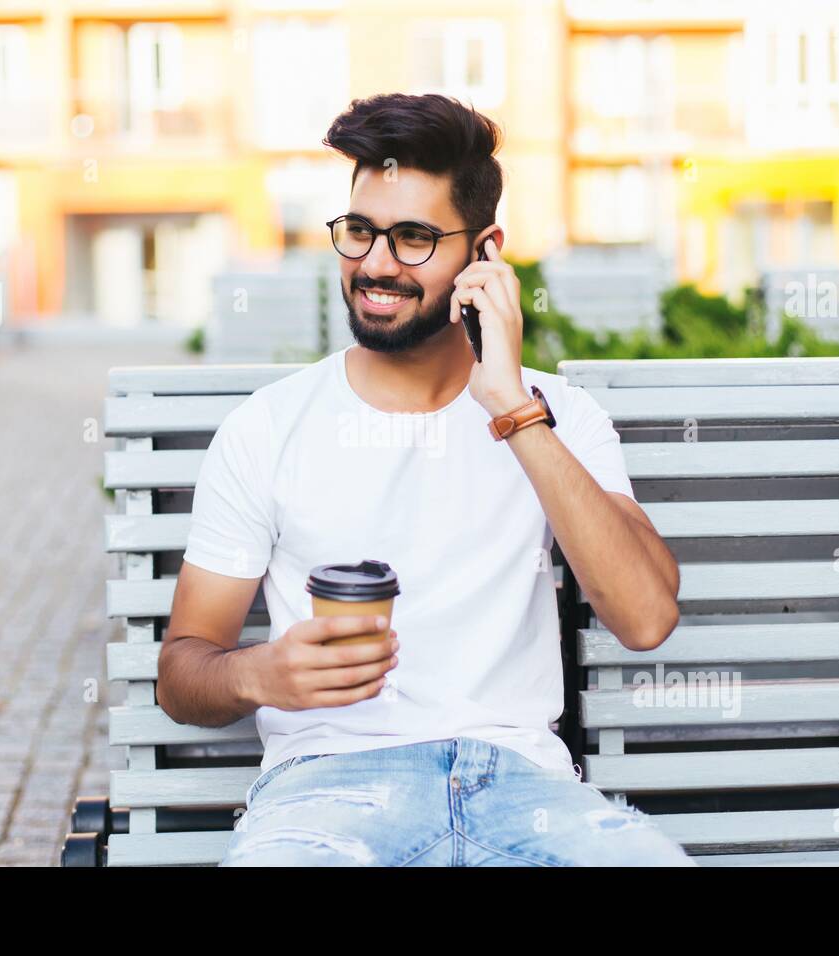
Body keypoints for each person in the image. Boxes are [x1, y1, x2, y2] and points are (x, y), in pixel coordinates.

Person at [156, 92, 696, 866]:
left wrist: (512, 406)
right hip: (329, 794)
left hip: (524, 789)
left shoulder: (560, 416)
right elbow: (183, 672)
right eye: (360, 232)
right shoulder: (268, 427)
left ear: (486, 254)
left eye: (413, 239)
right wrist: (257, 674)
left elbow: (646, 619)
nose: (376, 264)